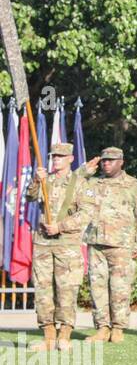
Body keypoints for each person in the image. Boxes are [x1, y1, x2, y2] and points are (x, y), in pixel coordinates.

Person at [80, 147, 137, 342]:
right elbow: (73, 195)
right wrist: (83, 173)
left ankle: (118, 328)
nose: (106, 163)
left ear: (121, 162)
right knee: (97, 287)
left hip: (122, 245)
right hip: (96, 243)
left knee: (120, 288)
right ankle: (102, 328)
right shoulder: (93, 184)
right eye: (104, 160)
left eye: (111, 160)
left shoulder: (133, 185)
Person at [25, 142, 90, 353]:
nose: (56, 160)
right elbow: (30, 197)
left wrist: (60, 226)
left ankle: (65, 335)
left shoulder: (79, 183)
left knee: (66, 291)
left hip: (67, 245)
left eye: (61, 157)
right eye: (54, 156)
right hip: (43, 243)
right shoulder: (47, 181)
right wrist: (36, 180)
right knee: (43, 291)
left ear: (71, 159)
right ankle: (48, 336)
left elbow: (86, 214)